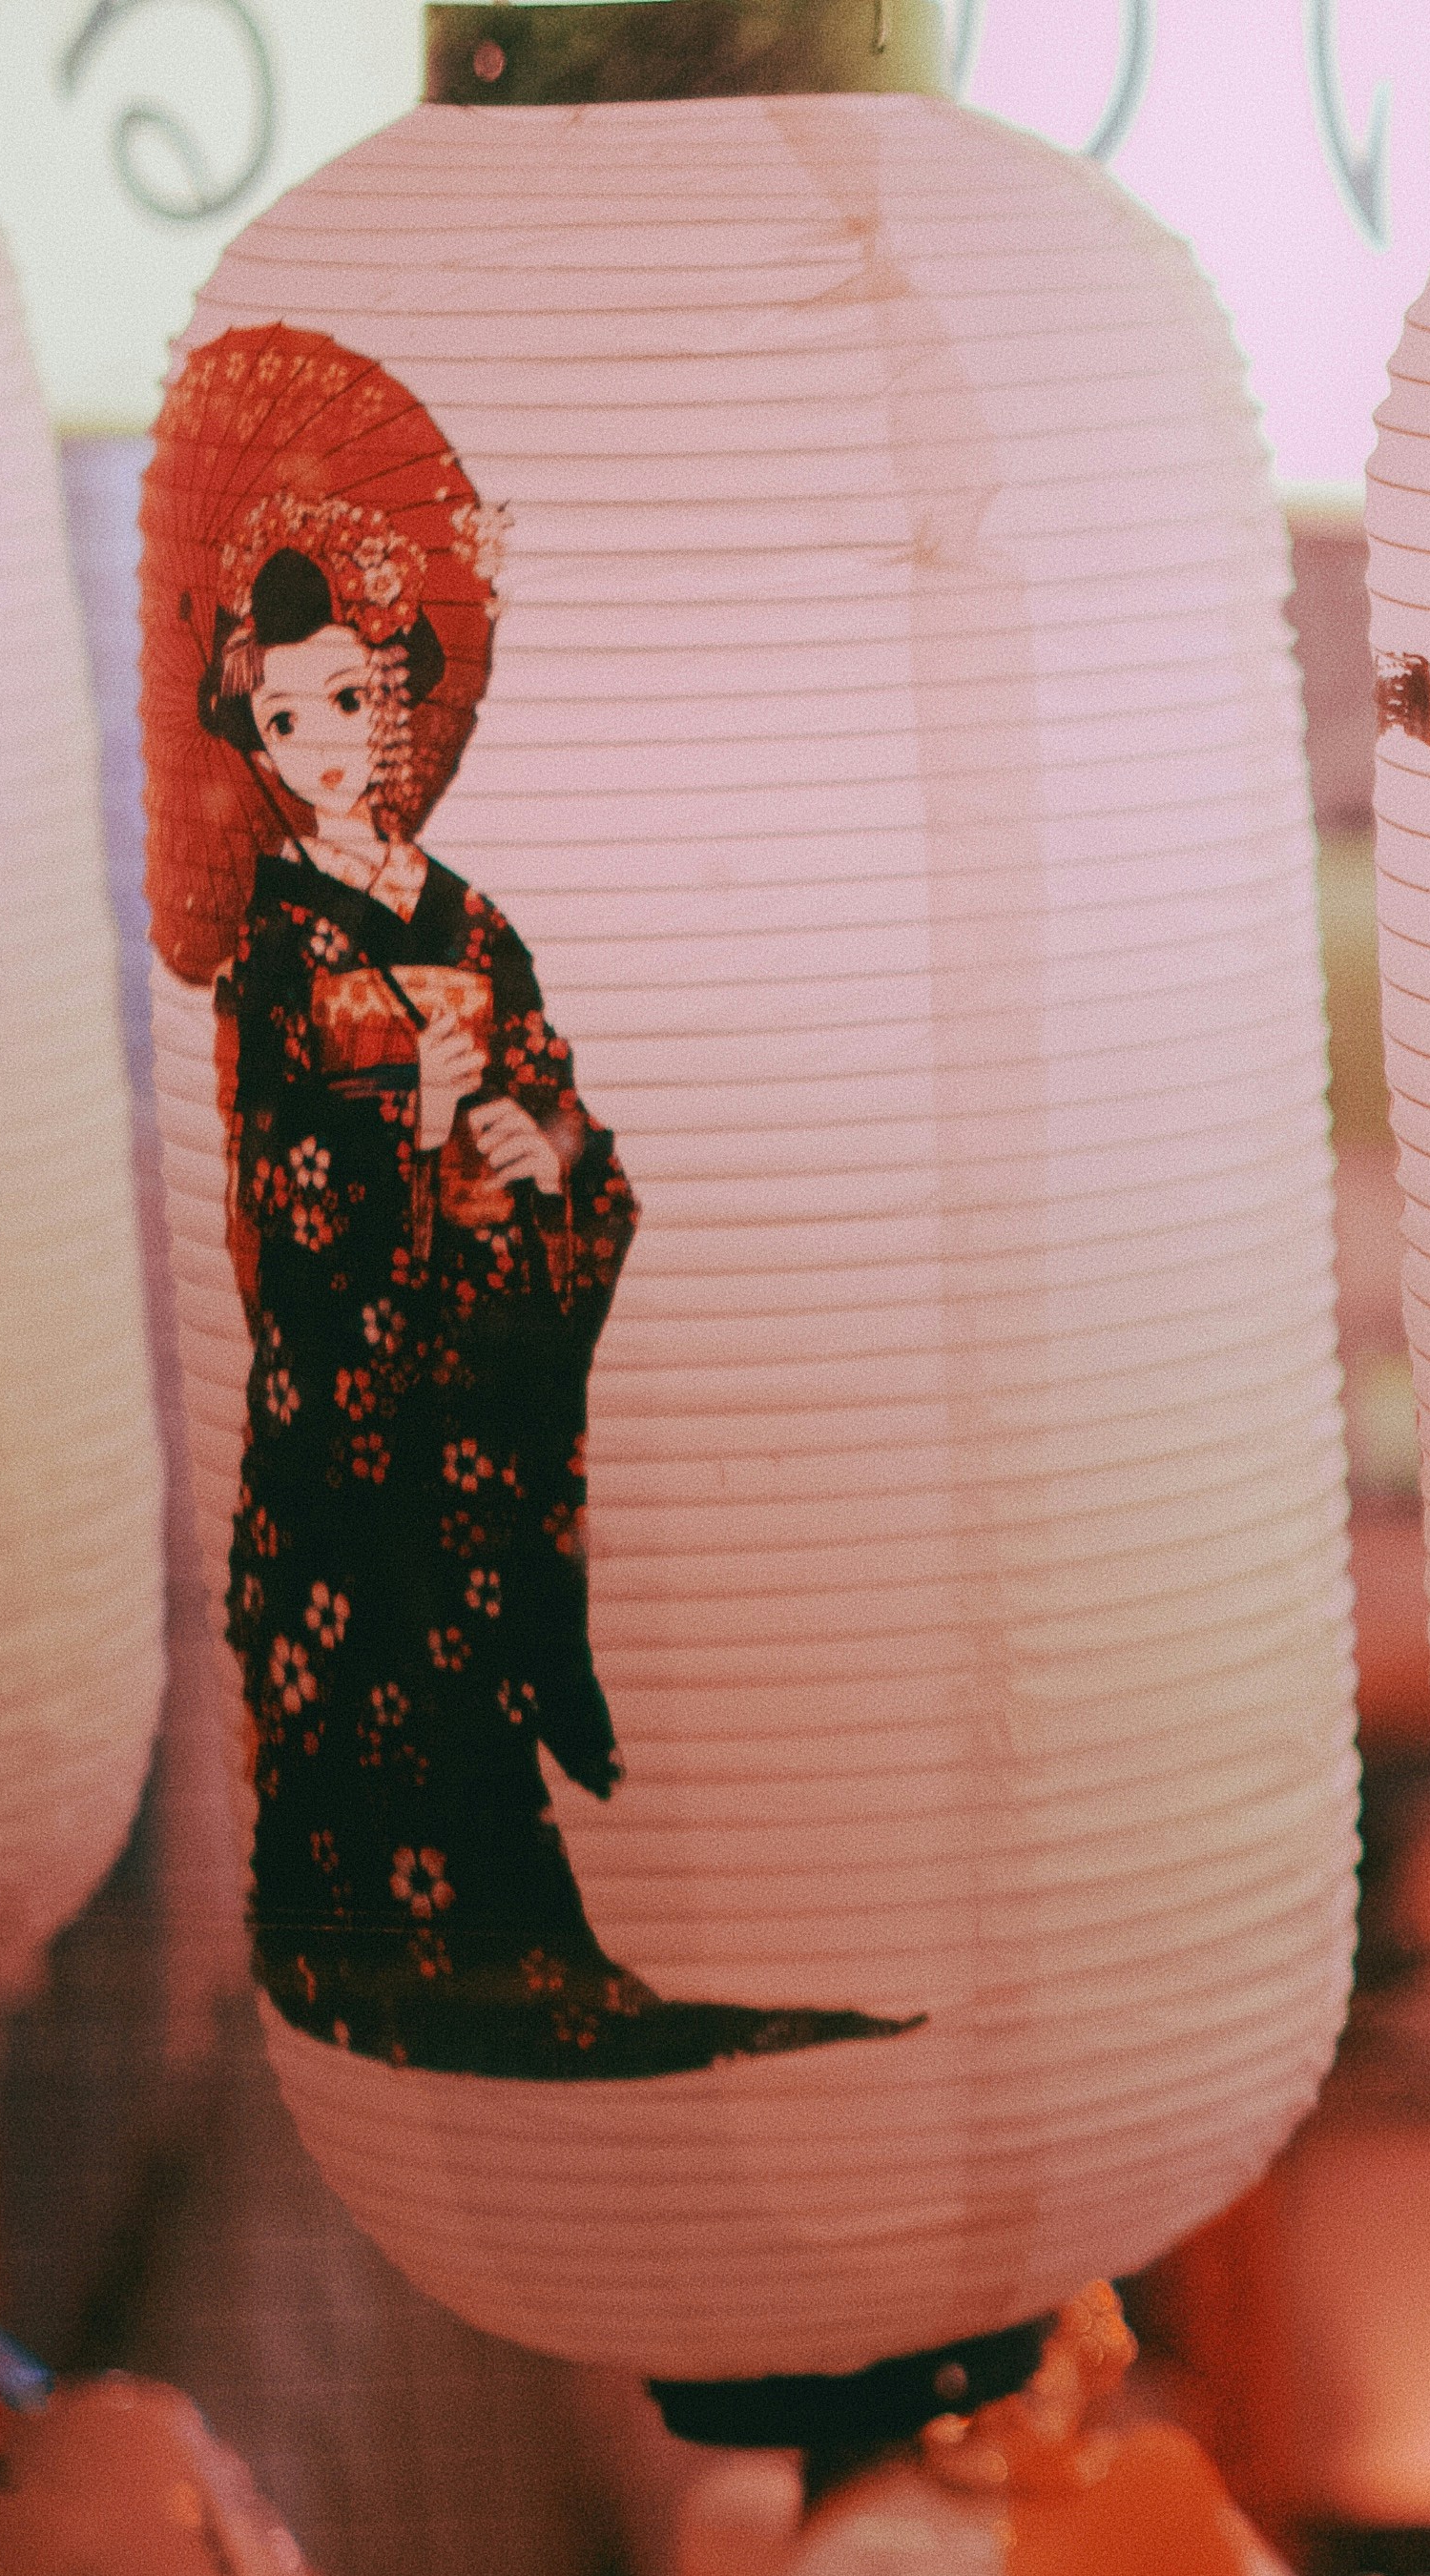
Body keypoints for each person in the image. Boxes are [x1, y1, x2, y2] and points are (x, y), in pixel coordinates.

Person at [172, 339, 907, 2081]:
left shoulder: (473, 920)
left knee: (474, 1672)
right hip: (355, 1390)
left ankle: (518, 1939)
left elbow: (568, 1112)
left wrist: (538, 1153)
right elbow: (289, 1171)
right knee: (365, 1668)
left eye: (349, 704)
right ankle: (367, 1952)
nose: (324, 747)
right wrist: (408, 1136)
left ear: (396, 704)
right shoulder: (280, 948)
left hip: (479, 1380)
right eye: (286, 720)